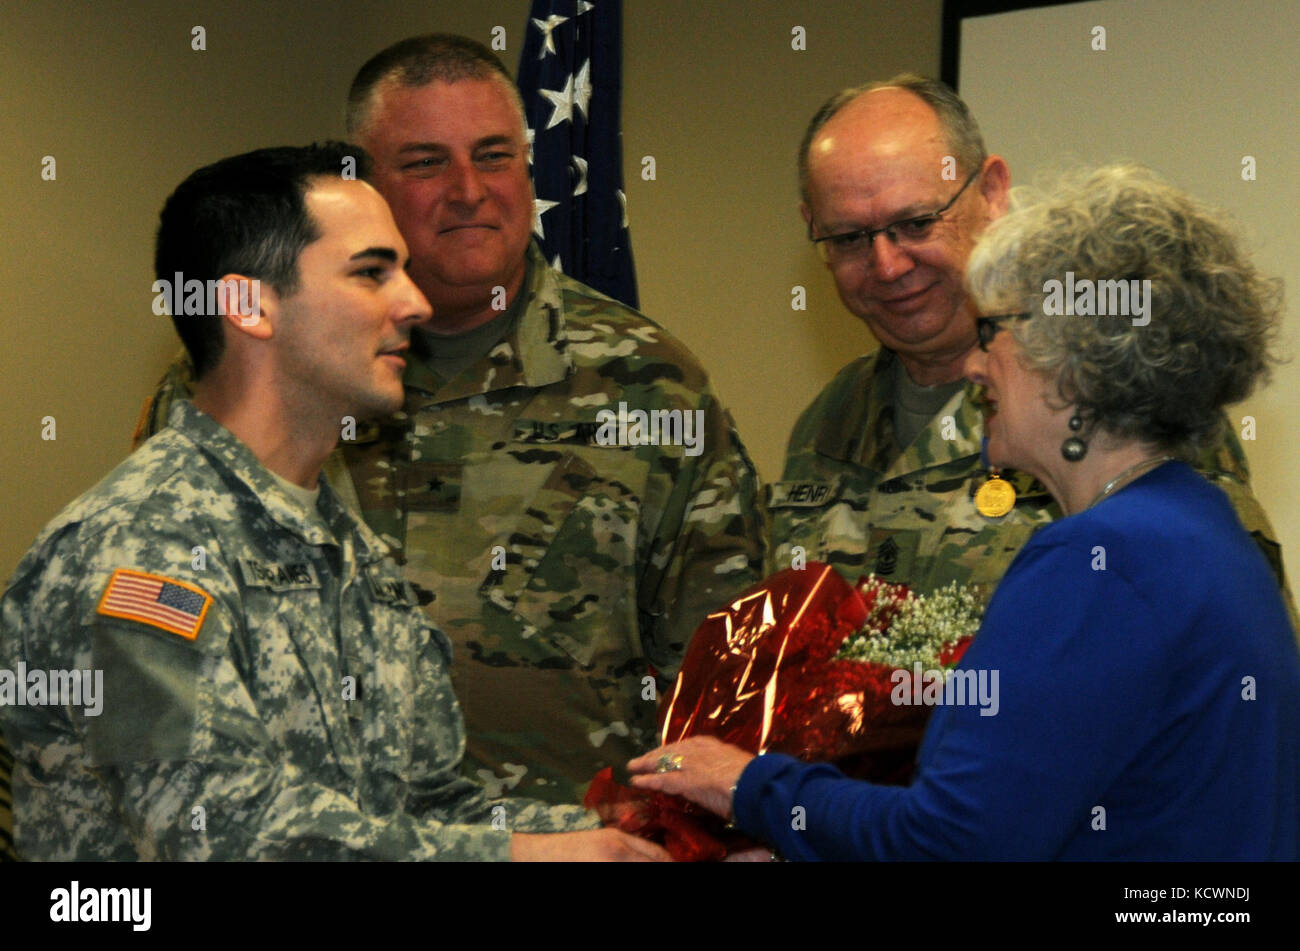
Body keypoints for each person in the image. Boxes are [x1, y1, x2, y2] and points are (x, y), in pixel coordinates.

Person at [135, 34, 765, 805]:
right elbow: (174, 652)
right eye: (426, 162)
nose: (469, 190)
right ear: (361, 186)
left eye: (495, 155)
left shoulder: (650, 385)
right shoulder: (262, 375)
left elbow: (726, 677)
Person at [0, 143, 667, 861]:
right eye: (373, 272)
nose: (415, 301)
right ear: (249, 304)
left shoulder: (348, 549)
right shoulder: (137, 548)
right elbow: (218, 835)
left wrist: (636, 833)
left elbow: (428, 805)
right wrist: (526, 859)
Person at [628, 165, 1300, 860]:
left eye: (995, 330)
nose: (977, 365)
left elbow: (949, 844)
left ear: (1075, 356)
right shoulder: (1202, 527)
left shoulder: (1097, 561)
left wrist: (751, 787)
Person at [768, 74, 1296, 630]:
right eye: (849, 238)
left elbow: (1229, 659)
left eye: (916, 223)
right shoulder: (827, 423)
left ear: (991, 191)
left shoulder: (1108, 398)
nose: (887, 266)